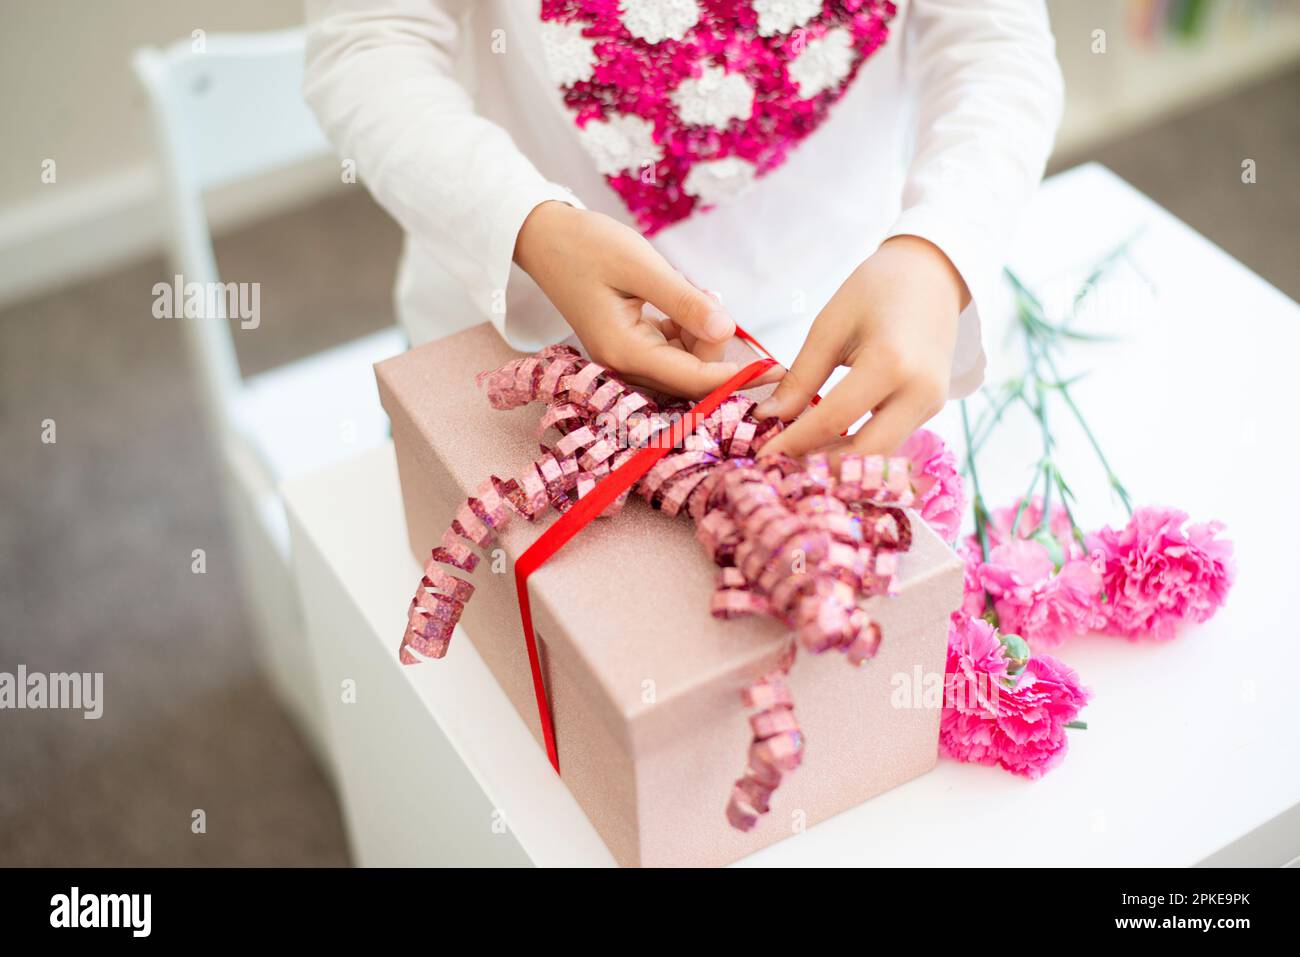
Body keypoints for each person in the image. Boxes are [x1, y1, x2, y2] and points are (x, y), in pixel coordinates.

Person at [304, 0, 1062, 458]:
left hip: (831, 352)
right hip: (516, 347)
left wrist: (938, 250)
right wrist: (528, 225)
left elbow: (997, 45)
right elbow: (368, 42)